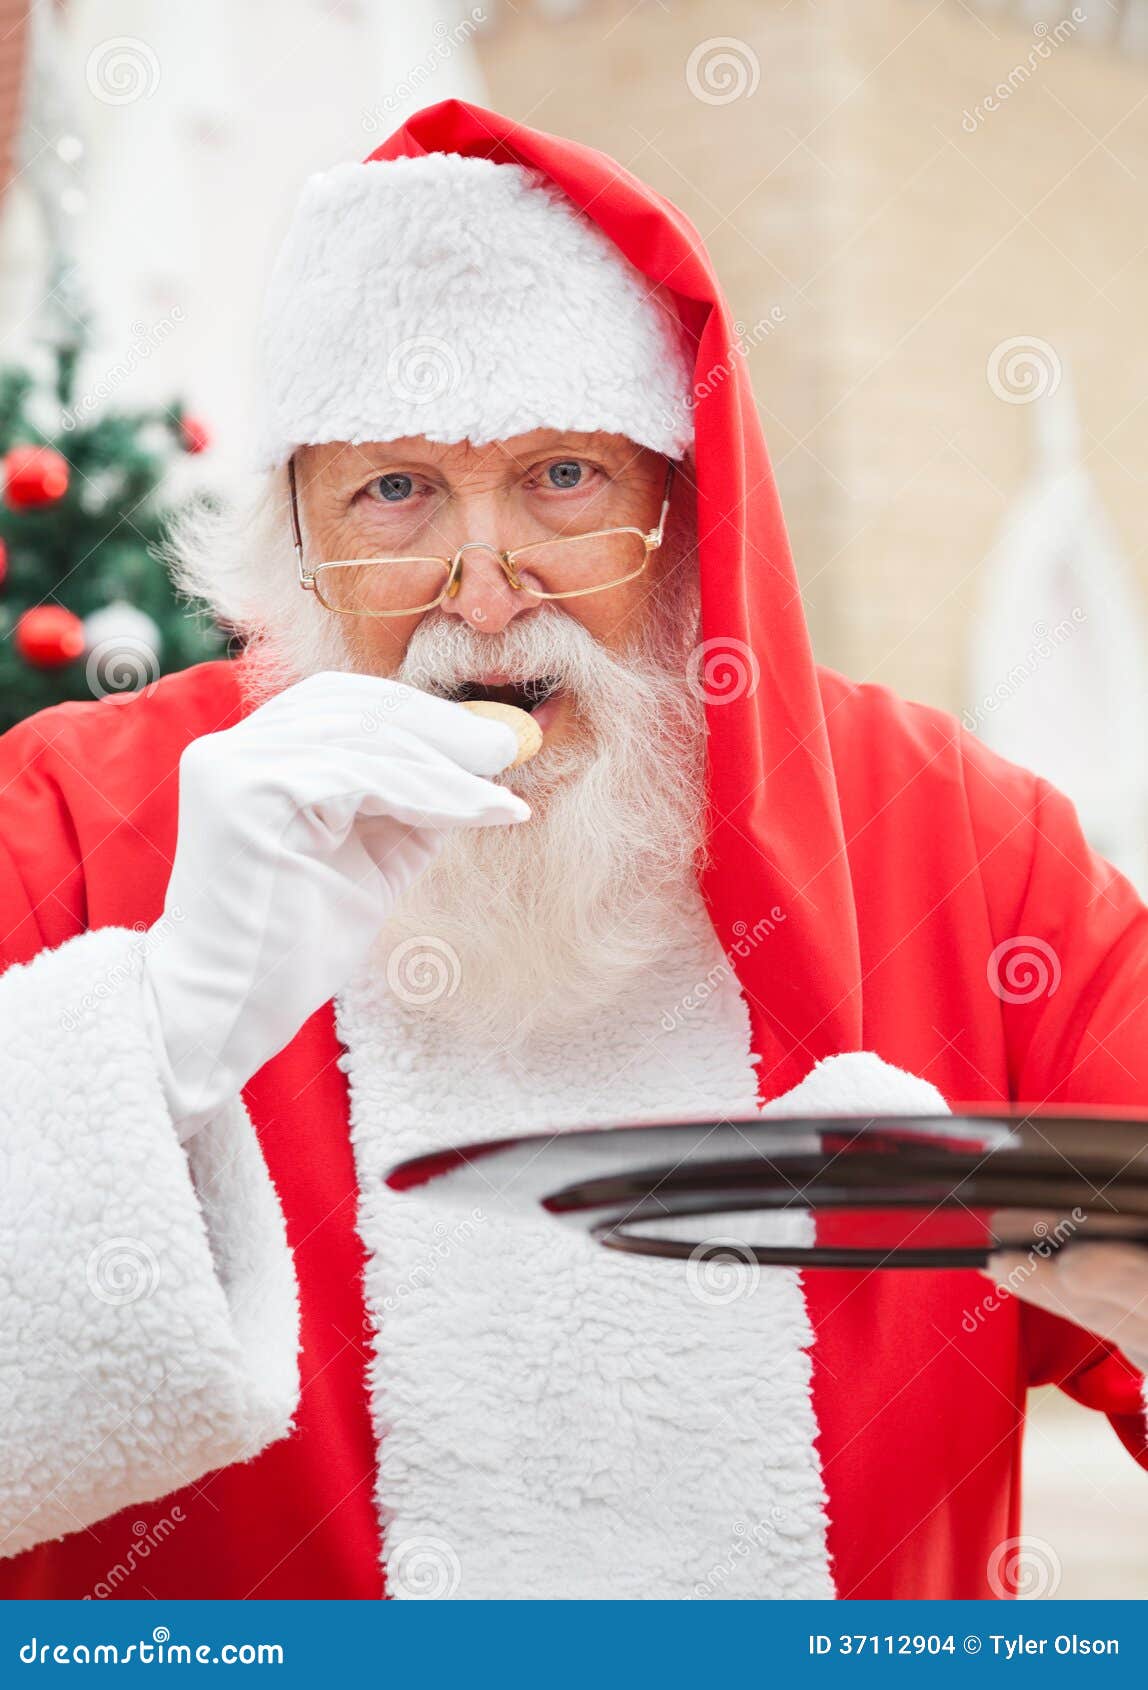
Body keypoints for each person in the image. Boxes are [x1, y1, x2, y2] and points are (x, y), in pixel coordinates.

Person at [1, 99, 1145, 1602]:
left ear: (686, 510)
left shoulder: (962, 840)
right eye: (395, 491)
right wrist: (140, 1051)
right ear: (292, 537)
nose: (483, 593)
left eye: (564, 480)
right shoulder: (71, 819)